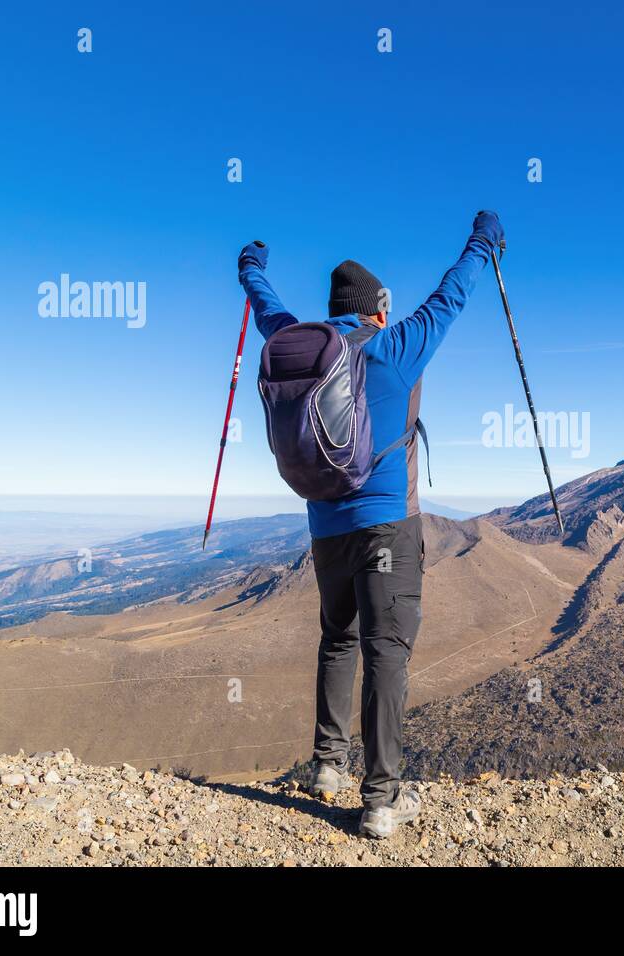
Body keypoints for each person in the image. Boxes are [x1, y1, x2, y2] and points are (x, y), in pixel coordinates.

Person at [236, 211, 503, 838]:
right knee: (387, 652)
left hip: (324, 529)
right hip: (388, 526)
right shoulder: (395, 346)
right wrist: (483, 240)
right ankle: (380, 798)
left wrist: (250, 267)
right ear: (377, 309)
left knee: (337, 637)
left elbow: (265, 307)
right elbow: (452, 293)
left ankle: (327, 766)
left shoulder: (298, 343)